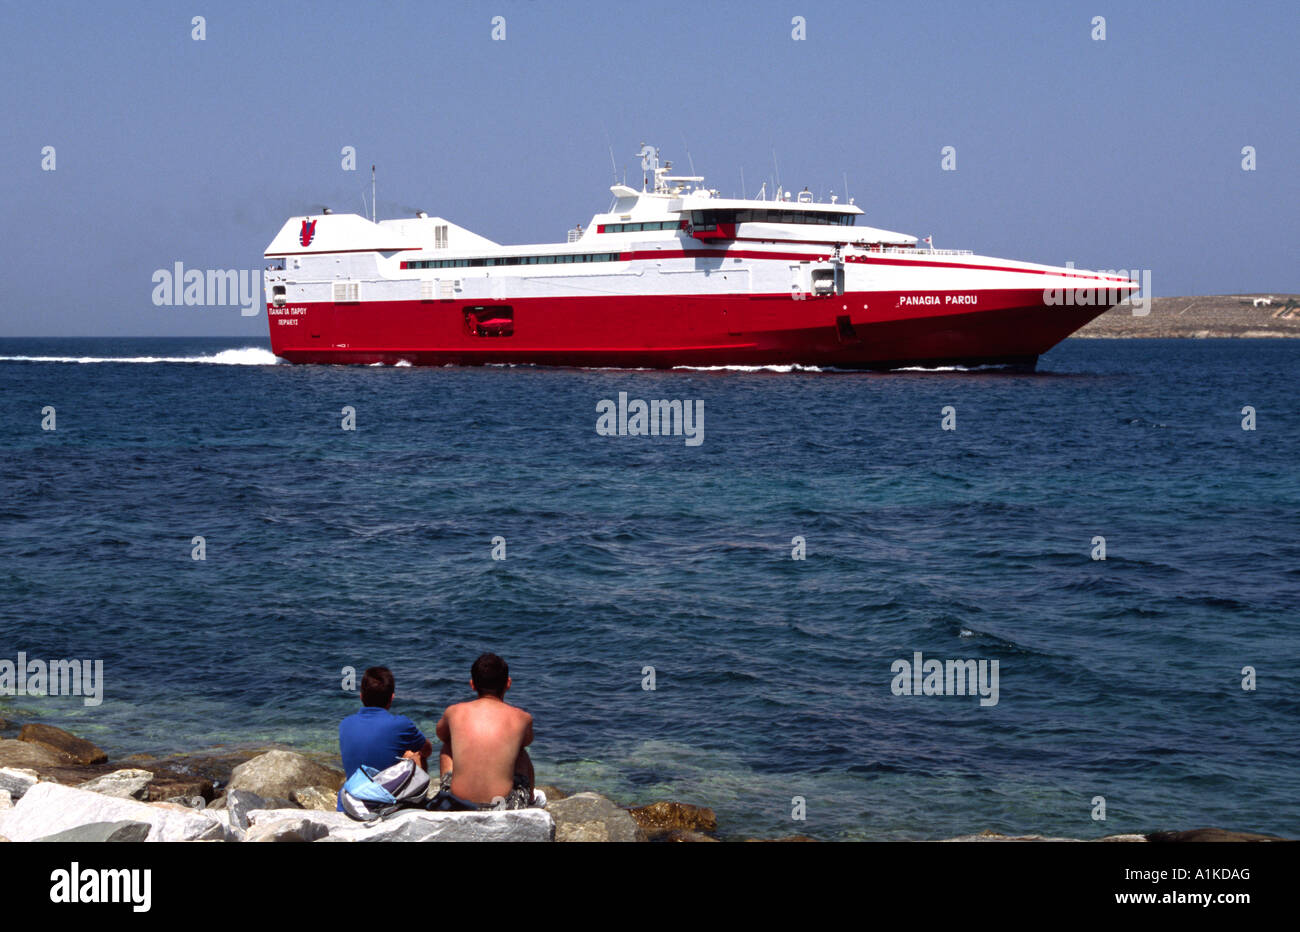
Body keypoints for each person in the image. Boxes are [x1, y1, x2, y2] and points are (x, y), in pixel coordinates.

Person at [432, 652, 537, 810]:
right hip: (502, 806)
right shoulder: (522, 717)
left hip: (458, 804)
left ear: (472, 684)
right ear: (508, 683)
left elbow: (441, 735)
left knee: (447, 745)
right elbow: (527, 741)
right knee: (521, 751)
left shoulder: (453, 711)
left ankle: (449, 795)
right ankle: (530, 799)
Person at [337, 666, 432, 811]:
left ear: (361, 696)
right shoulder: (401, 724)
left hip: (351, 804)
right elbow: (427, 750)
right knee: (418, 754)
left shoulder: (345, 724)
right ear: (392, 698)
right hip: (387, 804)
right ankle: (420, 803)